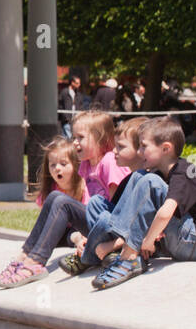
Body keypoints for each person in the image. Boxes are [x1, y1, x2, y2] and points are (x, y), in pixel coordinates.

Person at [89, 117, 196, 288]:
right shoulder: (160, 173)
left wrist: (148, 240)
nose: (139, 152)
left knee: (149, 182)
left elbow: (165, 213)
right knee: (139, 178)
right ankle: (106, 248)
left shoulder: (184, 171)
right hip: (182, 236)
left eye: (144, 146)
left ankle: (128, 256)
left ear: (166, 148)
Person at [0, 136, 88, 287]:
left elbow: (87, 216)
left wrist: (78, 237)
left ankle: (33, 263)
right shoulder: (51, 190)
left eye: (63, 164)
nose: (57, 169)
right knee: (55, 199)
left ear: (76, 165)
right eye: (53, 165)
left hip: (79, 232)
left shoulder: (84, 186)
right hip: (62, 233)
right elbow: (46, 223)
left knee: (65, 214)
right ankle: (22, 258)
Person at [61, 116, 146, 274]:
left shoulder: (143, 179)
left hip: (128, 239)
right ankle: (96, 251)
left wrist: (112, 244)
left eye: (120, 146)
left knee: (102, 216)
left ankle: (89, 256)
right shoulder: (130, 178)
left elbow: (139, 224)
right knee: (95, 203)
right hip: (114, 231)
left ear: (140, 150)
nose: (114, 150)